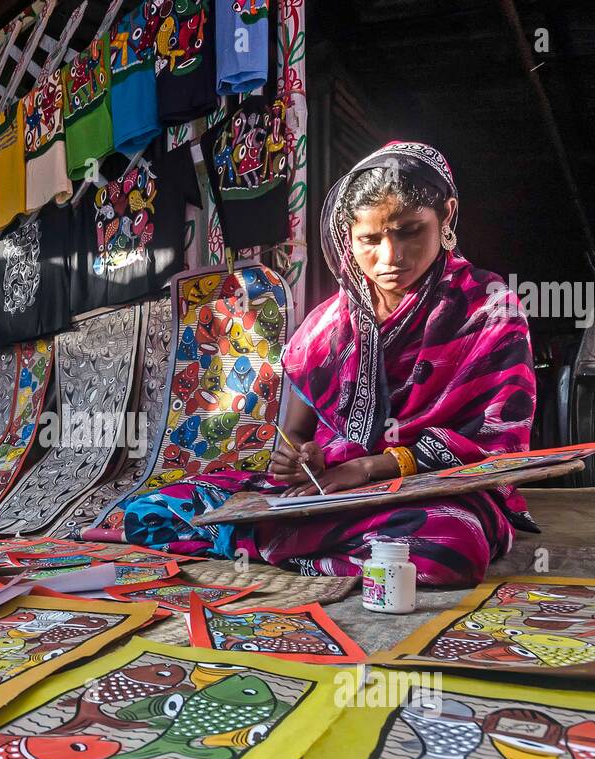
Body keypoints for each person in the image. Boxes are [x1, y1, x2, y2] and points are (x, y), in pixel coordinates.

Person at [121, 142, 538, 586]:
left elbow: (497, 446)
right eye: (370, 240)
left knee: (451, 543)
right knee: (152, 510)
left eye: (410, 231)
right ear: (348, 237)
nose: (391, 257)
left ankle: (266, 543)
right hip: (331, 495)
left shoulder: (488, 308)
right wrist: (300, 462)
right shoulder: (326, 327)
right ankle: (307, 546)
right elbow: (296, 436)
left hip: (431, 490)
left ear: (447, 216)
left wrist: (366, 468)